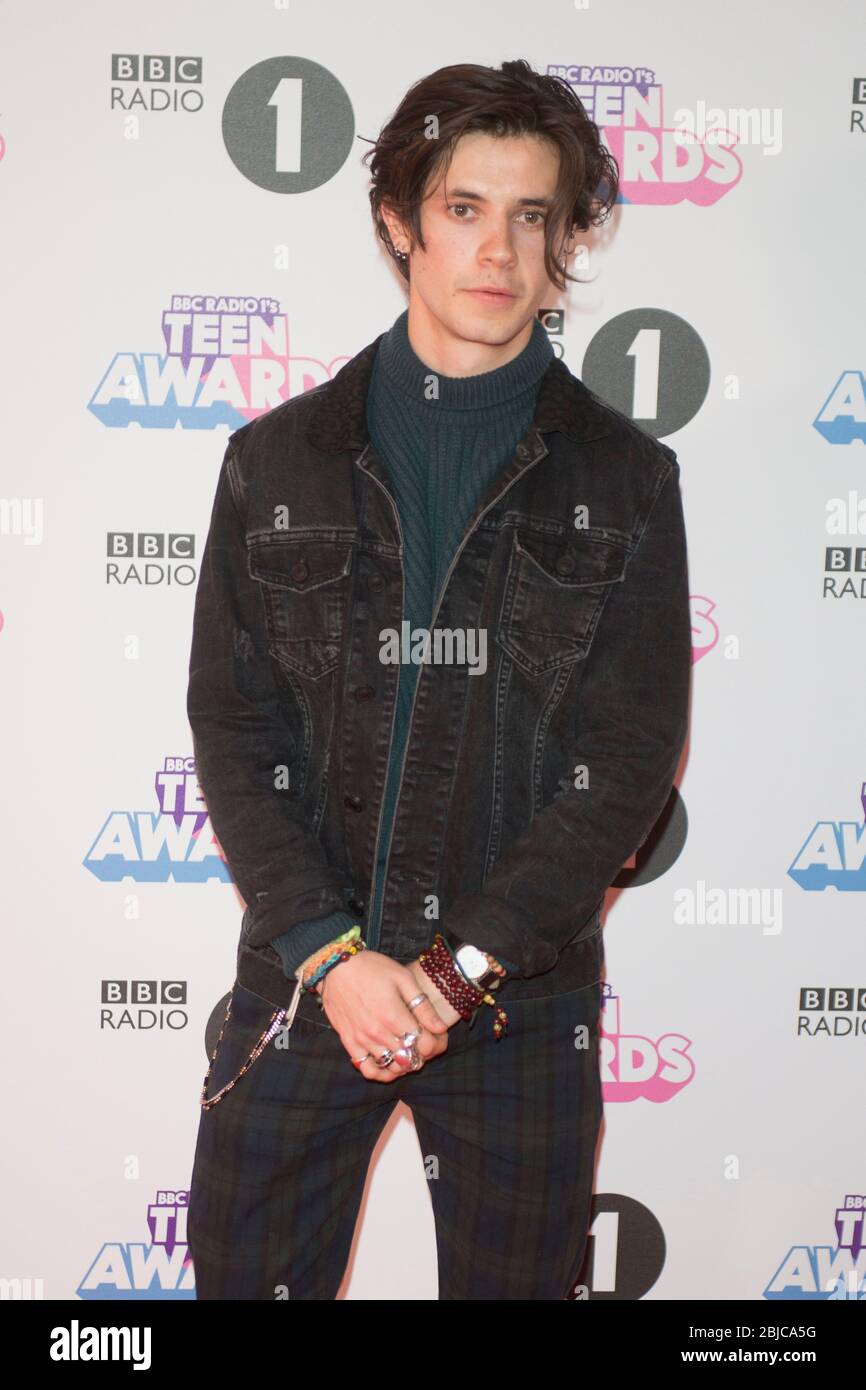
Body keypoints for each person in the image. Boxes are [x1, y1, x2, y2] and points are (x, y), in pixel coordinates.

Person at [186, 58, 692, 1300]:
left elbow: (625, 763)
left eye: (533, 215)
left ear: (564, 236)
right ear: (398, 222)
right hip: (307, 984)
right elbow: (234, 725)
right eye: (466, 208)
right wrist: (331, 954)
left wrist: (456, 970)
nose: (500, 250)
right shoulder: (274, 460)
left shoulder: (627, 479)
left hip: (517, 1004)